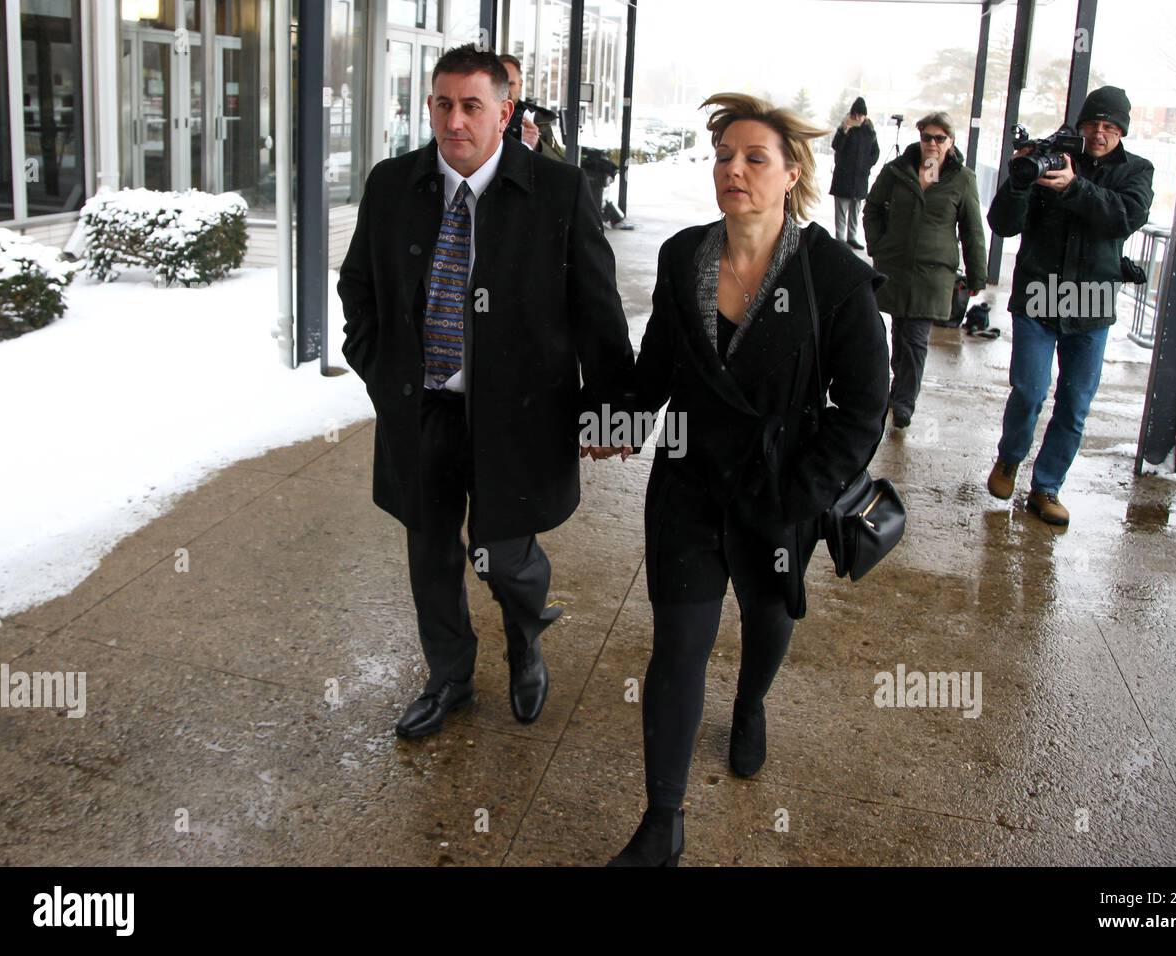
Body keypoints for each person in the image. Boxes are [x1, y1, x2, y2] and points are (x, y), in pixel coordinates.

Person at [607, 93, 890, 866]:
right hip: (690, 483)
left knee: (769, 623)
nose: (734, 170)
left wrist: (803, 492)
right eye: (725, 156)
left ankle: (751, 702)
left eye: (754, 158)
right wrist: (614, 420)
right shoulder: (683, 256)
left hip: (780, 489)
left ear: (791, 173)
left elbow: (865, 405)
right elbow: (657, 370)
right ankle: (663, 819)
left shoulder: (834, 276)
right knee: (678, 644)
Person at [336, 45, 635, 740]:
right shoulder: (392, 184)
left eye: (472, 106)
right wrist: (383, 370)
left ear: (505, 112)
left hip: (518, 418)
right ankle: (450, 678)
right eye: (443, 103)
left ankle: (526, 637)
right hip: (425, 410)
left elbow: (598, 312)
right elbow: (358, 289)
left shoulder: (558, 193)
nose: (454, 120)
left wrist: (614, 408)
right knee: (432, 551)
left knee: (505, 556)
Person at [985, 86, 1154, 527]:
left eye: (1110, 126)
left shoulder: (1136, 171)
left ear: (1121, 132)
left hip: (1092, 301)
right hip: (1040, 292)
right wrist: (1021, 180)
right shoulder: (1049, 156)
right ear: (1079, 125)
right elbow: (1003, 224)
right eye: (1093, 123)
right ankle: (1009, 458)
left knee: (1075, 403)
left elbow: (1124, 216)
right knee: (1029, 389)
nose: (1100, 133)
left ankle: (1046, 487)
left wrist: (1075, 186)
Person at [864, 111, 987, 429]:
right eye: (926, 137)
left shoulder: (962, 179)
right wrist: (879, 245)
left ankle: (904, 402)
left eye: (939, 138)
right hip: (896, 266)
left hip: (934, 273)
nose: (932, 144)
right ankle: (899, 384)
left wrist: (977, 275)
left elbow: (972, 230)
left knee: (916, 338)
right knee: (899, 333)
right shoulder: (897, 170)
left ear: (951, 141)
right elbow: (873, 208)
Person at [830, 97, 879, 250]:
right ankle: (840, 239)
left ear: (865, 116)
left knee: (855, 211)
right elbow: (836, 146)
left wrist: (867, 166)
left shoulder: (870, 131)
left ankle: (851, 237)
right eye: (855, 114)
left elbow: (875, 152)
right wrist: (844, 130)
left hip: (860, 178)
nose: (857, 118)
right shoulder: (844, 128)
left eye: (860, 115)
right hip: (843, 177)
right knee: (841, 211)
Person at [500, 53, 566, 162]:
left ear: (520, 85)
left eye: (511, 84)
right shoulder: (477, 116)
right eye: (501, 83)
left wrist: (537, 146)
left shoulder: (538, 121)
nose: (506, 89)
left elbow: (563, 168)